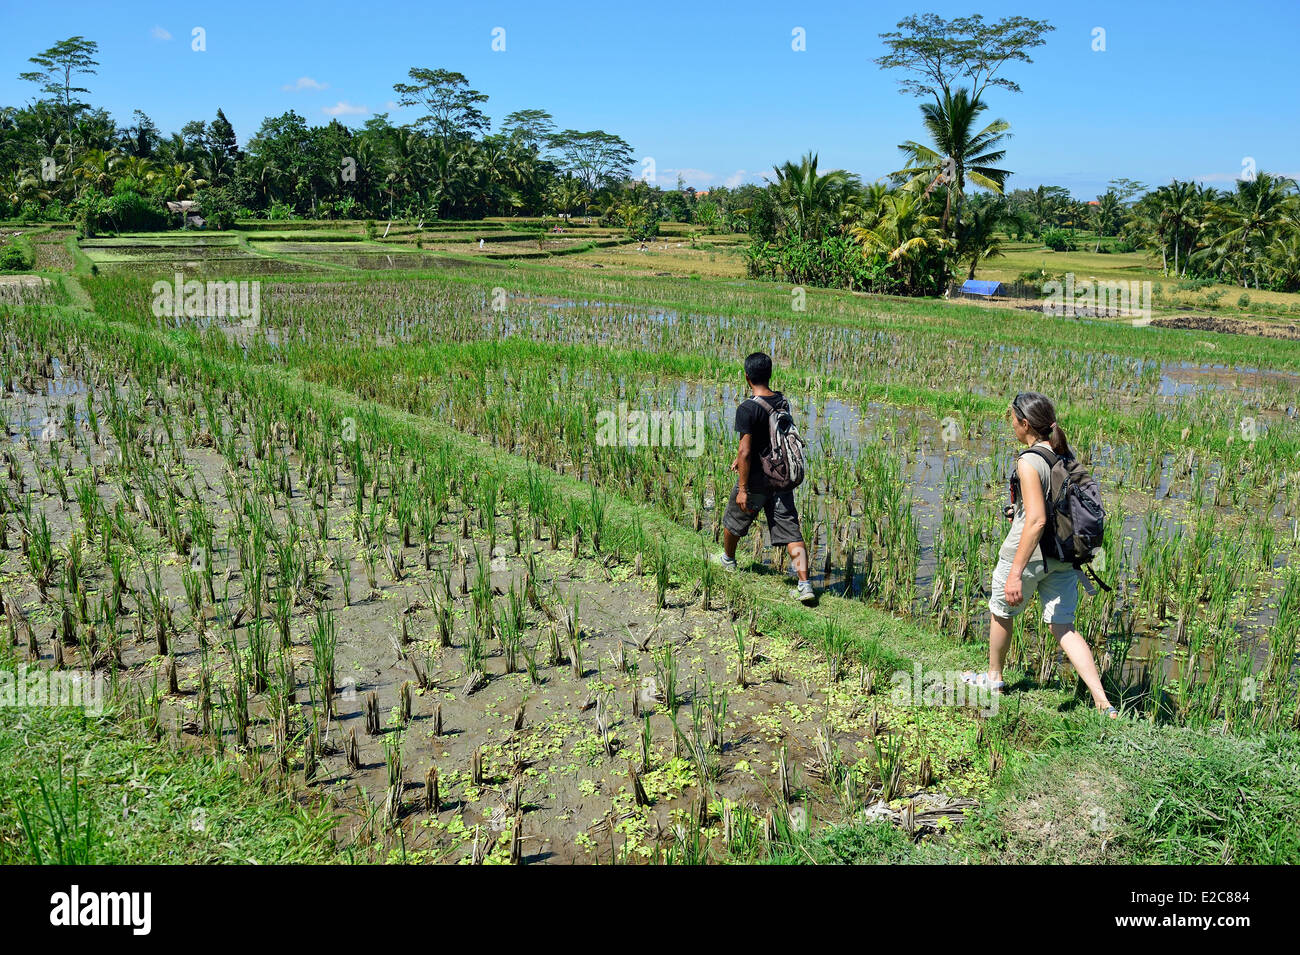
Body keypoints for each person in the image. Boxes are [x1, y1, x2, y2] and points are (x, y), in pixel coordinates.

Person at [965, 392, 1118, 717]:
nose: (1010, 424)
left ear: (1023, 424)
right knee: (1064, 627)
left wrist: (1016, 573)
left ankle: (994, 678)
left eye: (1012, 419)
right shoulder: (1063, 455)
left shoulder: (1028, 461)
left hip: (1030, 555)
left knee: (1001, 612)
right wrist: (1017, 510)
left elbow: (1036, 519)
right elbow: (1045, 506)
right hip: (1063, 556)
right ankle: (1103, 702)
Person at [717, 352, 814, 604]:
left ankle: (728, 560)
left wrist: (742, 488)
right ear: (769, 375)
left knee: (733, 520)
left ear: (747, 377)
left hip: (759, 480)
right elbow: (773, 436)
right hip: (781, 478)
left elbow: (746, 450)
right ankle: (805, 584)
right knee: (792, 532)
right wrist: (742, 458)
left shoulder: (747, 408)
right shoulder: (781, 401)